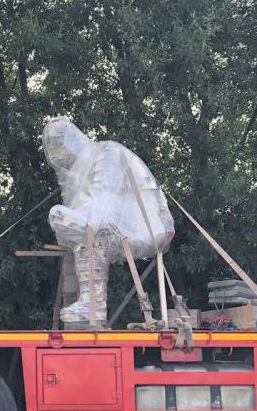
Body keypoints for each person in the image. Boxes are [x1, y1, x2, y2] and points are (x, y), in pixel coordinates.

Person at [43, 116, 175, 329]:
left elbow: (105, 202)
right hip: (109, 226)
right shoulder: (83, 165)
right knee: (77, 230)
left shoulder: (105, 153)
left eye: (58, 145)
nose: (58, 153)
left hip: (138, 227)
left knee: (68, 220)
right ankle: (89, 304)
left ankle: (91, 304)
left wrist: (79, 221)